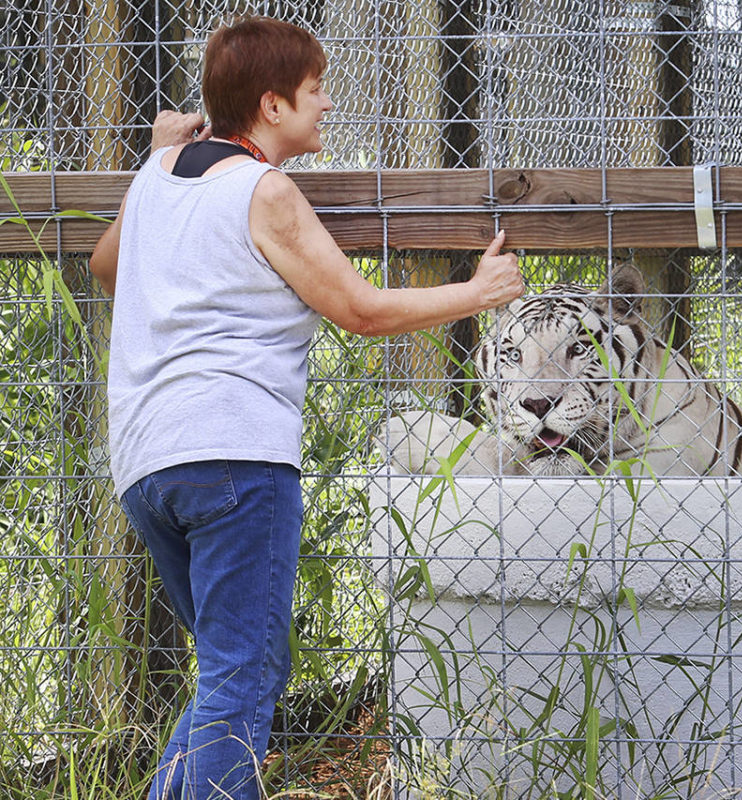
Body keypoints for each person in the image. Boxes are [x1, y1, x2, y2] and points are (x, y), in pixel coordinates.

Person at [87, 16, 523, 800]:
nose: (327, 105)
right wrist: (479, 292)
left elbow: (107, 265)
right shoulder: (266, 191)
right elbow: (357, 310)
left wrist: (156, 155)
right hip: (234, 458)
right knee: (241, 679)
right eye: (315, 90)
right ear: (272, 105)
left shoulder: (158, 176)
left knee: (239, 669)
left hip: (147, 465)